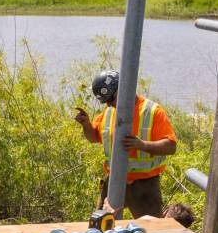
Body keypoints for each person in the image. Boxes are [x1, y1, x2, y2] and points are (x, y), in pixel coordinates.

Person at [74, 69, 177, 219]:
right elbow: (93, 137)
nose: (109, 104)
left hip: (145, 185)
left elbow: (171, 146)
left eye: (111, 99)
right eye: (106, 101)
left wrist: (142, 145)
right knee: (101, 225)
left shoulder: (152, 111)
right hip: (114, 180)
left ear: (123, 89)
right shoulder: (109, 112)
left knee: (150, 231)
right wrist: (86, 124)